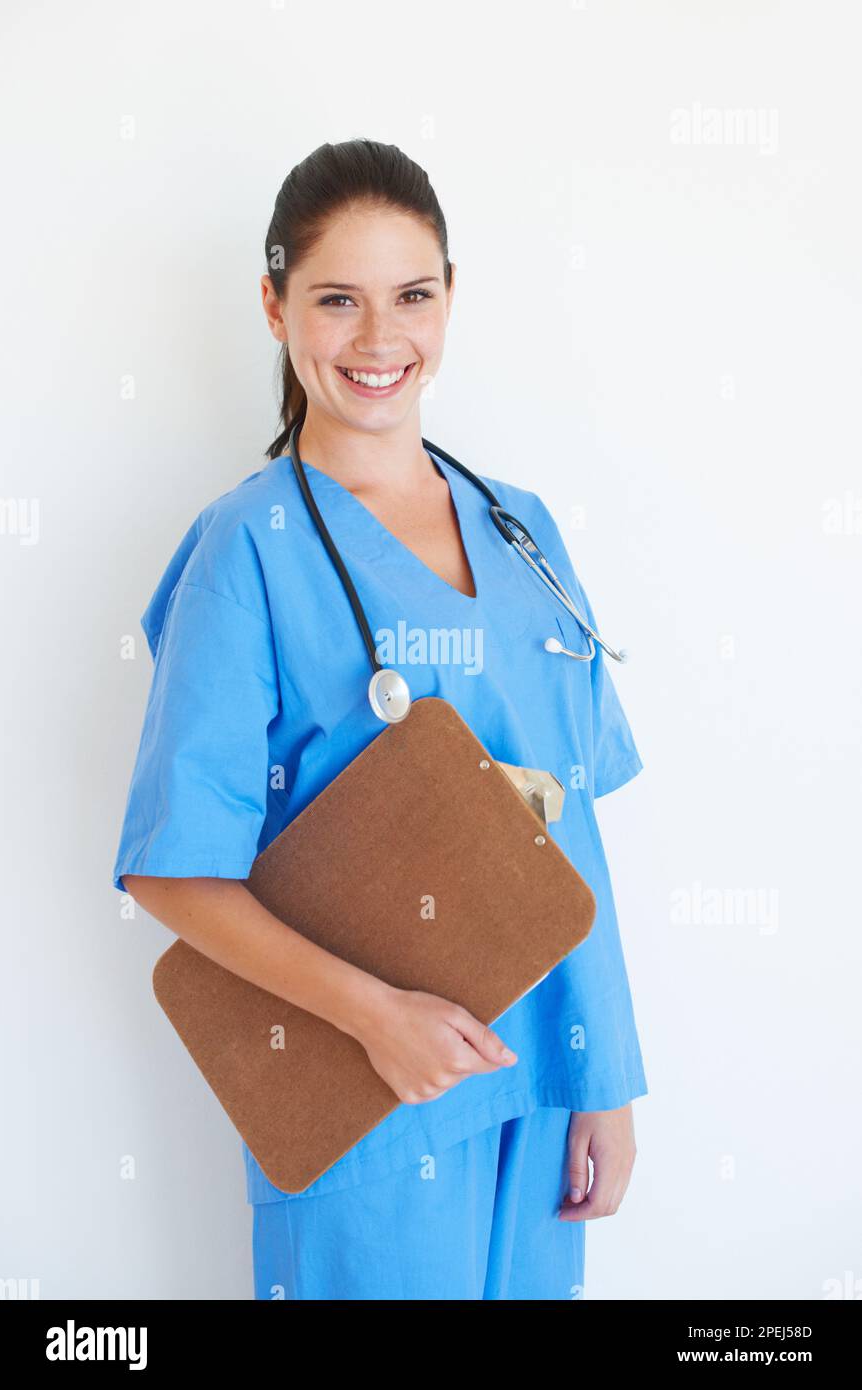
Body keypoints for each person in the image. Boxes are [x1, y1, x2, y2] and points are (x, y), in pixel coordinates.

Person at [113, 138, 647, 1301]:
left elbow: (571, 827)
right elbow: (171, 873)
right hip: (363, 1092)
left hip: (534, 1085)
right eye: (335, 300)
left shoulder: (524, 532)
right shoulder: (244, 553)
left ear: (448, 300)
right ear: (274, 306)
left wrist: (600, 1071)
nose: (376, 339)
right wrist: (377, 1018)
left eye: (409, 295)